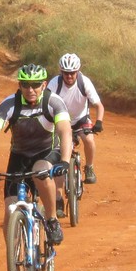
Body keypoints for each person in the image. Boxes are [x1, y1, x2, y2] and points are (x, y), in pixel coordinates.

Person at [0, 64, 72, 250]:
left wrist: (65, 161)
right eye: (26, 85)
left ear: (44, 84)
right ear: (19, 85)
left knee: (40, 171)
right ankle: (15, 270)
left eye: (35, 84)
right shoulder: (9, 104)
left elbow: (65, 132)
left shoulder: (54, 102)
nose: (30, 89)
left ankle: (52, 220)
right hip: (19, 157)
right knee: (10, 213)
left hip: (47, 152)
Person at [48, 53, 105, 188]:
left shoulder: (84, 82)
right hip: (61, 120)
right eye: (66, 73)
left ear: (77, 71)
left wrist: (99, 122)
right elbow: (46, 103)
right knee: (55, 147)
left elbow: (98, 105)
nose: (69, 76)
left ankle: (89, 167)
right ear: (61, 72)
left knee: (89, 140)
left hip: (81, 118)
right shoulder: (55, 83)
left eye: (72, 73)